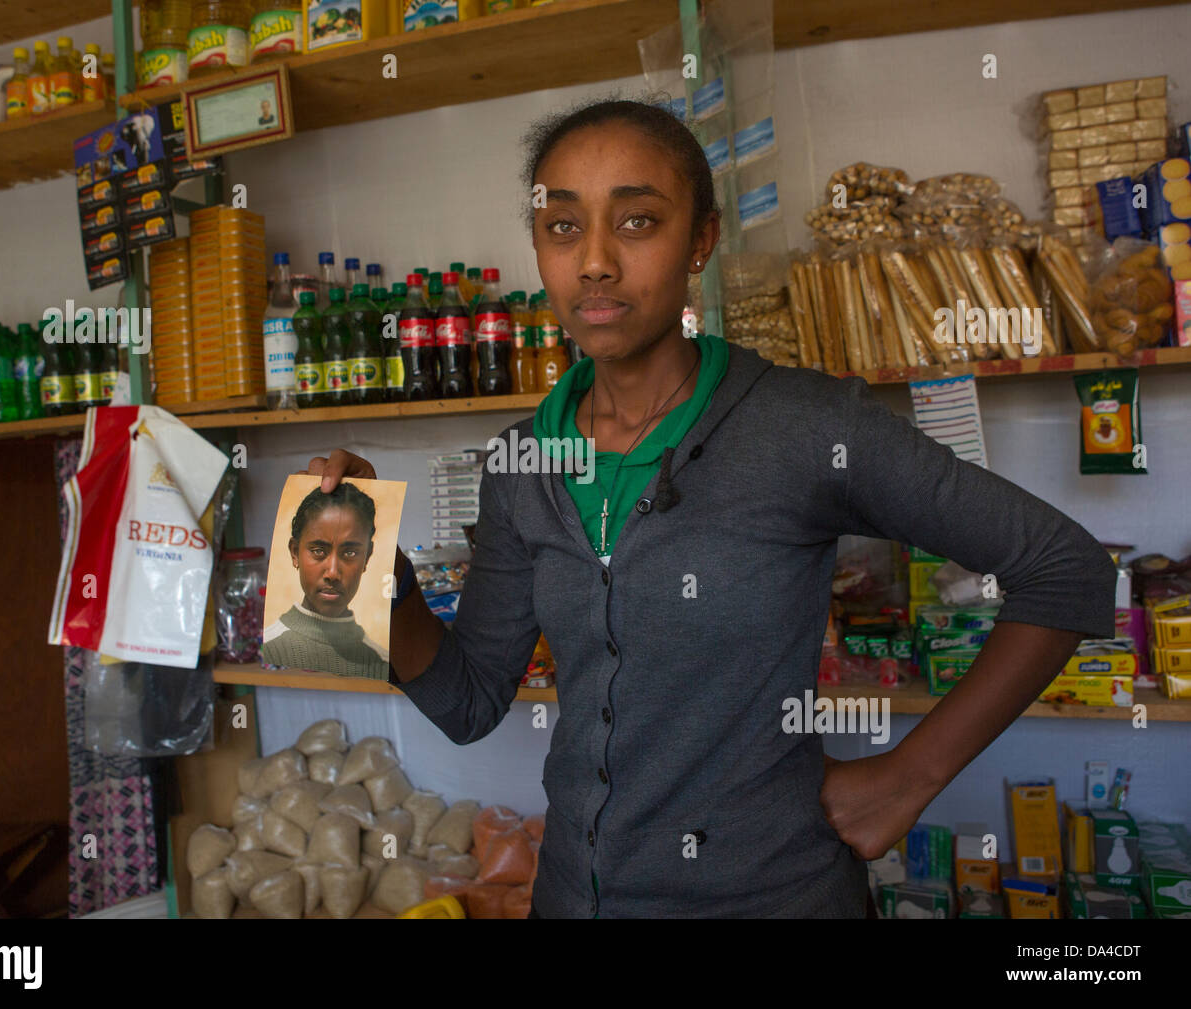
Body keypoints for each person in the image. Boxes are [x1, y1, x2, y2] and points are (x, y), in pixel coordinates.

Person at [303, 100, 1116, 918]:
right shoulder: (525, 463)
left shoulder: (804, 425)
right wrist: (382, 581)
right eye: (561, 227)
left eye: (637, 221)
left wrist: (908, 776)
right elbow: (468, 701)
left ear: (700, 240)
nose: (593, 262)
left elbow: (1064, 567)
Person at [261, 482, 389, 679]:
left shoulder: (380, 661)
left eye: (350, 552)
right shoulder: (268, 649)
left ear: (367, 557)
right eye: (318, 551)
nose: (332, 573)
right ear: (295, 552)